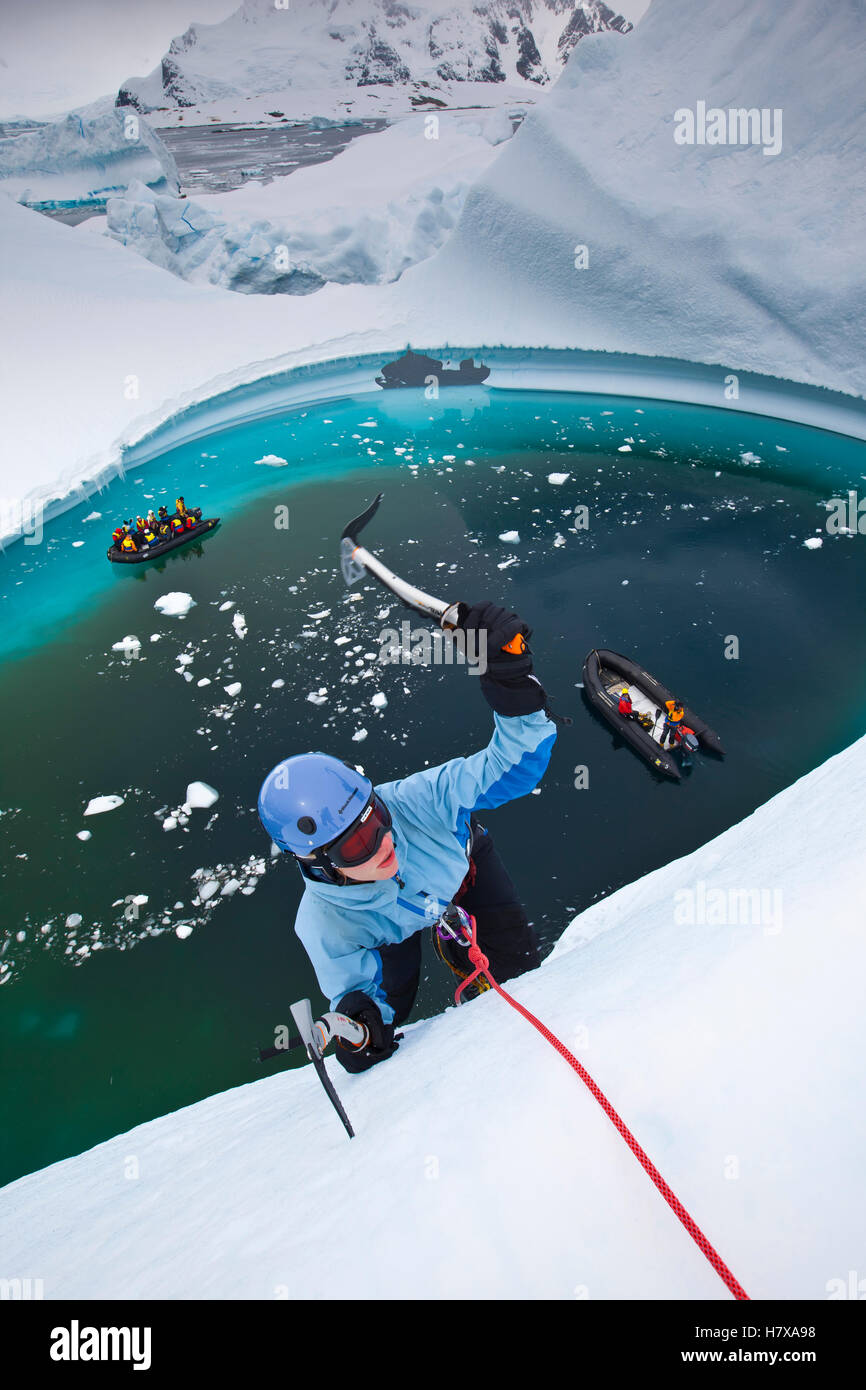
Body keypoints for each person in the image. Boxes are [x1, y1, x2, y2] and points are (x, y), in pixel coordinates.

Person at [258, 602, 558, 1075]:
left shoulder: (416, 801)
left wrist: (510, 684)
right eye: (357, 846)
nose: (383, 841)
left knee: (521, 973)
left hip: (461, 872)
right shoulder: (326, 924)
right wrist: (360, 1026)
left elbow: (513, 765)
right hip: (385, 932)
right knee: (392, 1015)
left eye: (376, 816)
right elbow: (358, 1001)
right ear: (321, 865)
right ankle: (440, 937)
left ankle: (456, 938)